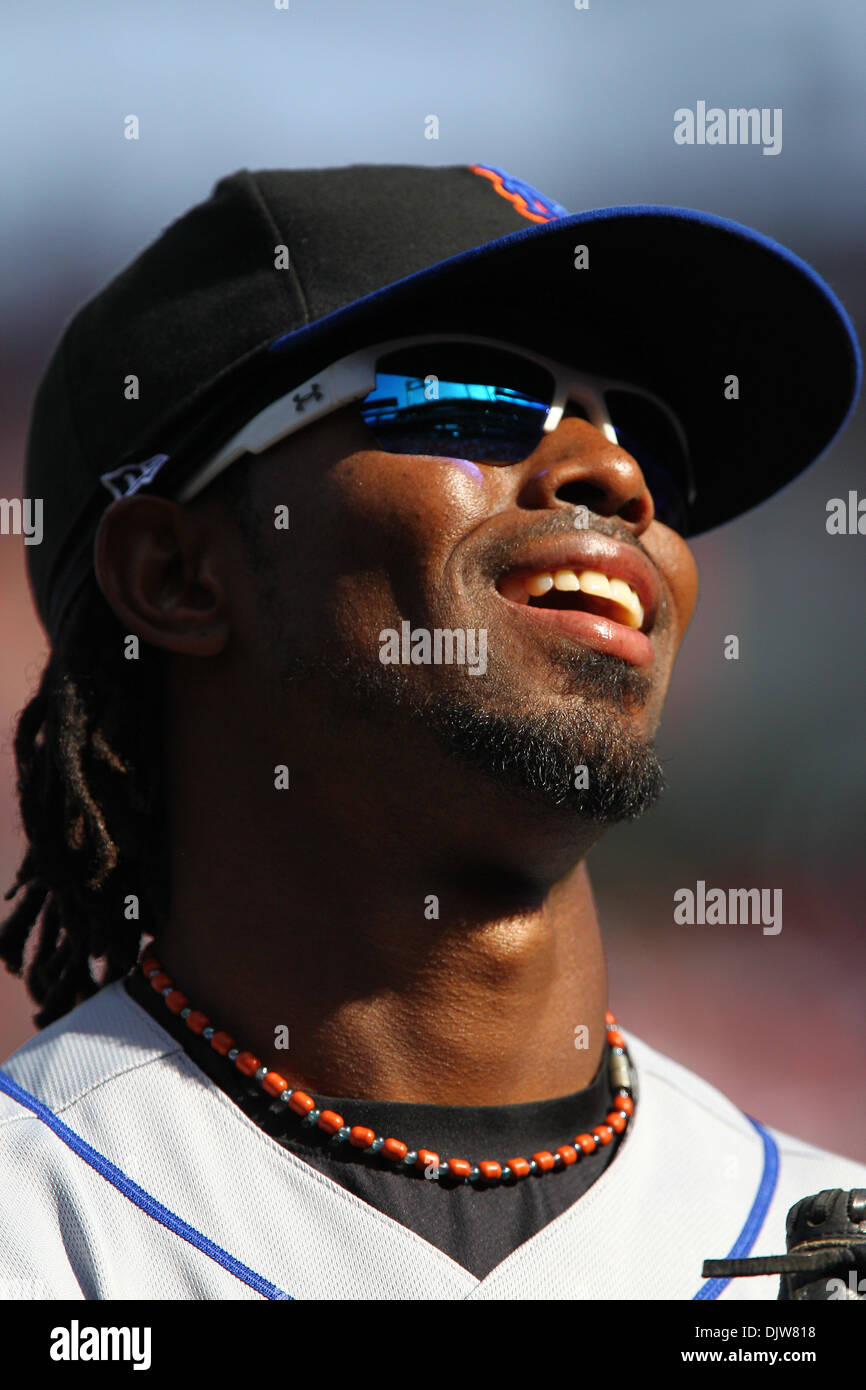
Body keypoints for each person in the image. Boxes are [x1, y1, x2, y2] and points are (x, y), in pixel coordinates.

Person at [1, 163, 863, 1301]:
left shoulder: (821, 1251)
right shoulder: (39, 1220)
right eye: (467, 393)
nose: (612, 474)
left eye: (644, 438)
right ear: (176, 573)